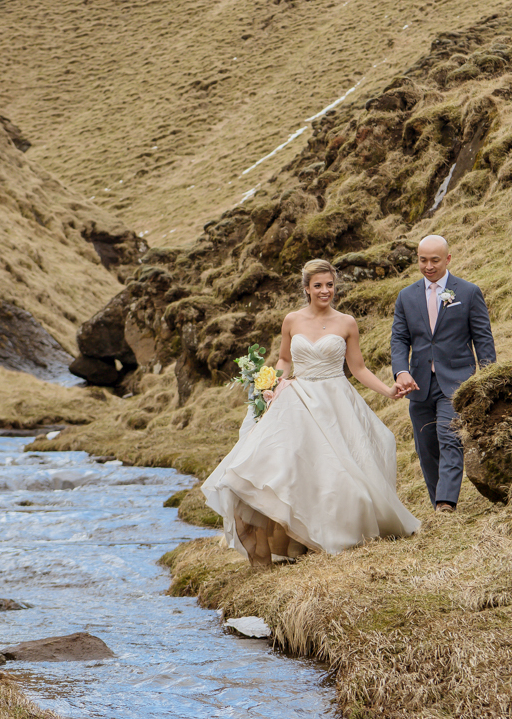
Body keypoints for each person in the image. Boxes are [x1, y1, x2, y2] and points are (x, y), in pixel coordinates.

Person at [201, 259, 421, 568]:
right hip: (297, 396)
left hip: (336, 399)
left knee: (338, 470)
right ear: (306, 288)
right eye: (318, 285)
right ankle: (290, 538)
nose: (325, 290)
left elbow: (357, 368)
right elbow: (284, 359)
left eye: (329, 285)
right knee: (288, 464)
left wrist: (388, 391)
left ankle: (334, 531)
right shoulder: (292, 320)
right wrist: (272, 384)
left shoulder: (346, 322)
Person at [390, 234, 497, 512]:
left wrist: (486, 379)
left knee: (449, 438)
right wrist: (401, 371)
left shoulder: (468, 292)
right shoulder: (406, 296)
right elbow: (399, 340)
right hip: (419, 384)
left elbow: (483, 339)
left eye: (434, 260)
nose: (428, 266)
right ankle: (437, 500)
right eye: (422, 260)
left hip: (457, 381)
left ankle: (445, 504)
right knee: (426, 448)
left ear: (447, 259)